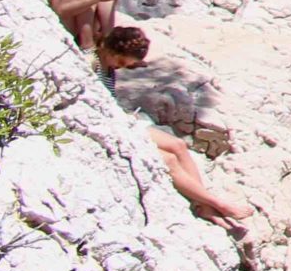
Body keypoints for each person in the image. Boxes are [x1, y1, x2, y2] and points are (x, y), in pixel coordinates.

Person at [96, 28, 256, 240]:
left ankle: (204, 204)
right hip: (109, 126)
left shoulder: (108, 67)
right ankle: (216, 203)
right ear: (111, 50)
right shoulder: (93, 66)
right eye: (123, 62)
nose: (123, 67)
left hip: (120, 120)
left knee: (178, 145)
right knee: (169, 160)